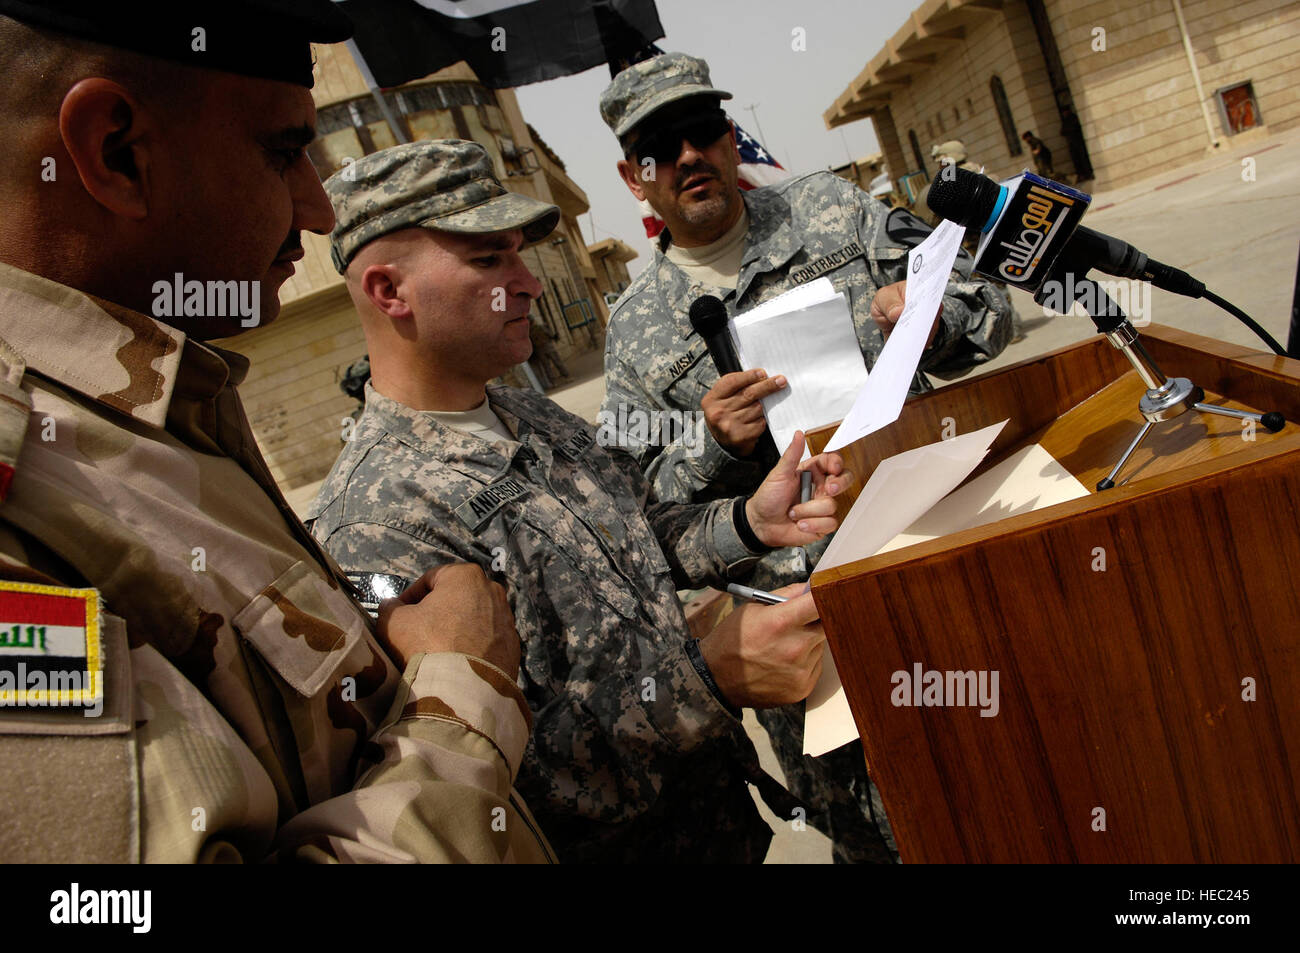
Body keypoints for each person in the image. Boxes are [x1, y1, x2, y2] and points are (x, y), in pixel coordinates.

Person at [0, 2, 551, 863]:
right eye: (284, 153)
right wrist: (458, 698)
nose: (320, 210)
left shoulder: (155, 414)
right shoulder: (25, 499)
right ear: (117, 151)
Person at [307, 138, 853, 863]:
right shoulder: (373, 518)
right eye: (488, 259)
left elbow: (641, 536)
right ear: (388, 291)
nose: (528, 282)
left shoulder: (531, 416)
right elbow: (473, 778)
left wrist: (748, 522)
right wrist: (705, 678)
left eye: (518, 254)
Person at [598, 52, 1015, 863]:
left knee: (1014, 780)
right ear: (633, 176)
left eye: (702, 130)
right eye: (660, 145)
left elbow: (987, 306)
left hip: (937, 558)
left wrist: (932, 315)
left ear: (729, 138)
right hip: (812, 638)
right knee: (880, 837)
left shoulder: (832, 209)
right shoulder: (636, 328)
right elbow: (640, 511)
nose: (688, 155)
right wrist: (707, 444)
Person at [527, 315, 569, 387]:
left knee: (547, 367)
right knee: (557, 361)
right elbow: (550, 334)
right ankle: (566, 376)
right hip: (548, 346)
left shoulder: (529, 333)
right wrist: (554, 336)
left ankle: (553, 382)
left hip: (539, 350)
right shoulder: (541, 327)